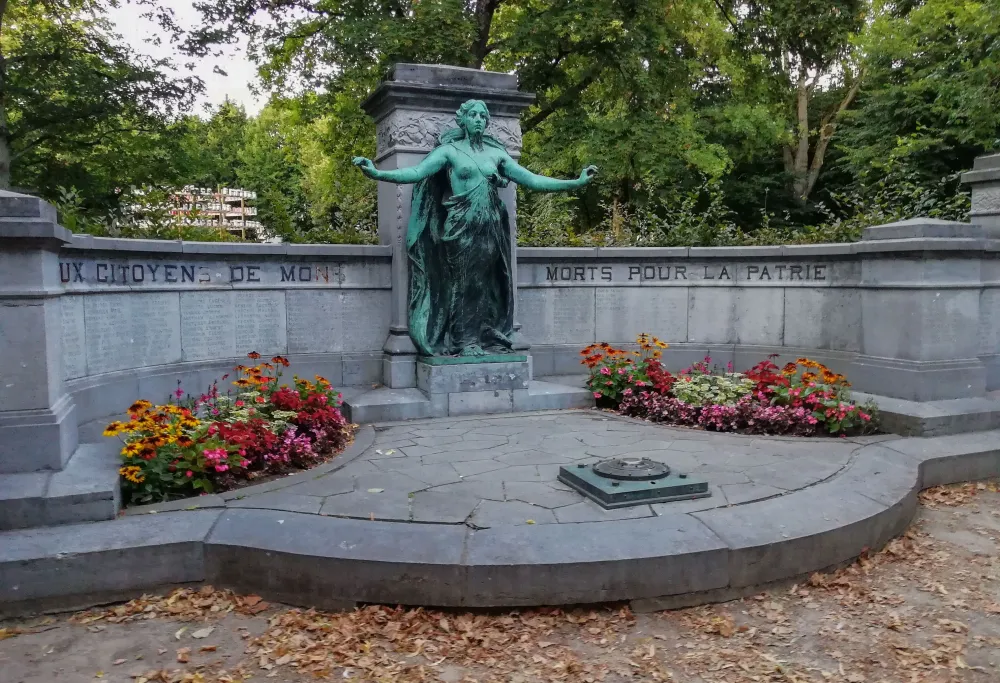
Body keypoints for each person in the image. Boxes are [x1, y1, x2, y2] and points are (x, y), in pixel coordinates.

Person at [353, 99, 597, 357]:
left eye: (483, 116)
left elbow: (532, 180)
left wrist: (575, 182)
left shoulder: (496, 155)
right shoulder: (449, 152)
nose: (479, 120)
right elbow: (415, 172)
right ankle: (462, 341)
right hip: (460, 227)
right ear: (463, 120)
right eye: (474, 115)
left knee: (483, 285)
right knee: (461, 284)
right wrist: (377, 174)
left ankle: (481, 335)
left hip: (490, 227)